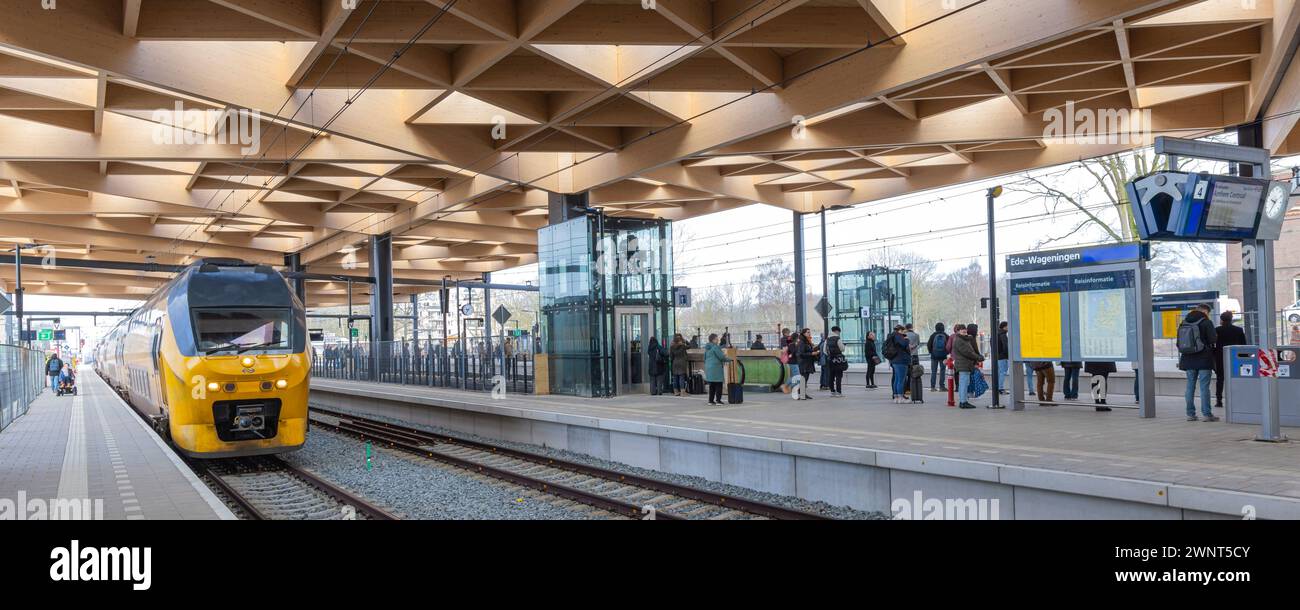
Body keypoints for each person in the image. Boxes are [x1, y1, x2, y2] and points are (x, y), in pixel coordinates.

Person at [1177, 305, 1218, 422]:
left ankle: (1190, 414)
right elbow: (1213, 340)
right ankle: (1207, 414)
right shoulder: (1206, 322)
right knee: (1204, 387)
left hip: (1188, 358)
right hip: (1204, 358)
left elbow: (1178, 343)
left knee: (1190, 386)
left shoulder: (1183, 322)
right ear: (1205, 311)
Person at [1213, 311, 1247, 409]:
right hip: (1235, 357)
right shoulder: (1239, 330)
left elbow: (1213, 343)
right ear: (1231, 319)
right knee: (1236, 378)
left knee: (1220, 379)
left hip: (1220, 357)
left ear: (1221, 319)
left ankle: (1219, 400)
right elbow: (1243, 345)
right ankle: (1237, 399)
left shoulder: (1217, 330)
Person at [952, 324, 983, 409]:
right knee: (964, 383)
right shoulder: (959, 340)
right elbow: (967, 352)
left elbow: (970, 351)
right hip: (963, 365)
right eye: (961, 329)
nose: (964, 330)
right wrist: (978, 357)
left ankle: (964, 400)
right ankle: (963, 402)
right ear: (958, 331)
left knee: (965, 383)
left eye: (965, 329)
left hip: (966, 364)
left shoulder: (964, 339)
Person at [884, 325, 911, 404]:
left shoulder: (891, 336)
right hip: (901, 361)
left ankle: (896, 397)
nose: (904, 333)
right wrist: (907, 340)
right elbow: (903, 344)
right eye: (903, 331)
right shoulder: (898, 336)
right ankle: (901, 397)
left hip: (894, 360)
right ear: (900, 330)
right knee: (901, 380)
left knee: (896, 379)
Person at [703, 333, 732, 406]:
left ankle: (710, 401)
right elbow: (721, 357)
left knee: (712, 385)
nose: (718, 340)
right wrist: (730, 360)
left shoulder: (707, 348)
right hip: (716, 368)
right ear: (713, 340)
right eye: (716, 339)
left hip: (708, 368)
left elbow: (704, 358)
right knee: (718, 384)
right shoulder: (715, 347)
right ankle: (718, 401)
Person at [794, 328, 820, 400]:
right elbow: (801, 353)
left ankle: (802, 393)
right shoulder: (802, 342)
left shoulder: (806, 341)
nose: (809, 333)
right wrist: (812, 353)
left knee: (805, 378)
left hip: (807, 362)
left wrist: (815, 349)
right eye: (808, 332)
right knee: (804, 378)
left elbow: (807, 350)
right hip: (803, 363)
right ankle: (802, 394)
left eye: (809, 332)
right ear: (804, 333)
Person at [927, 323, 949, 392]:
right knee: (942, 371)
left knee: (934, 371)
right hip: (943, 356)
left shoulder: (933, 335)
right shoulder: (946, 335)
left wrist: (932, 352)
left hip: (934, 356)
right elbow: (948, 346)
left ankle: (933, 387)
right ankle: (942, 387)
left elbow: (928, 345)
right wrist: (946, 353)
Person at [825, 326, 846, 397]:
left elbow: (824, 350)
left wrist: (830, 355)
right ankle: (839, 392)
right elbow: (842, 349)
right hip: (838, 360)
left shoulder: (827, 339)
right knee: (838, 376)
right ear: (837, 331)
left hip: (830, 359)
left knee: (831, 375)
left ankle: (832, 391)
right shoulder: (837, 338)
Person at [996, 322, 1010, 395]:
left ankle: (997, 387)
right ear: (1004, 327)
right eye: (1007, 326)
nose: (1008, 328)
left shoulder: (996, 334)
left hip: (997, 356)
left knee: (999, 372)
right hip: (1003, 356)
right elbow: (1005, 346)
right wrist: (1008, 356)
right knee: (1003, 372)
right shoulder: (1003, 335)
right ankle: (1000, 388)